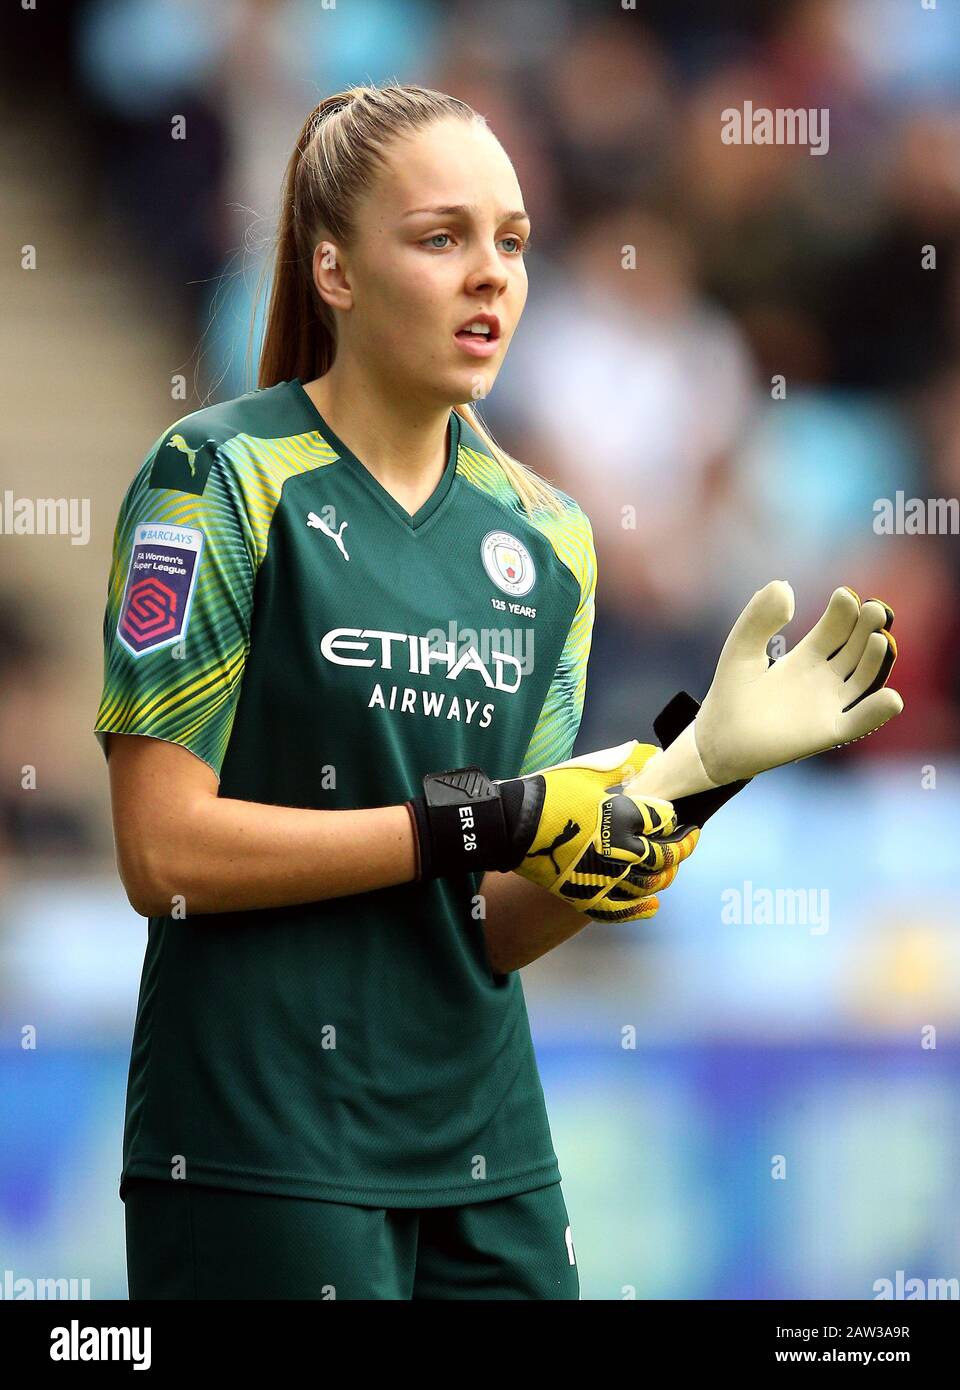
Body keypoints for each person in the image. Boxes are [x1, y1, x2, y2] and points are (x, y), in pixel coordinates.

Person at [94, 82, 699, 1301]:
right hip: (262, 1142)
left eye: (514, 242)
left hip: (490, 1154)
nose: (493, 276)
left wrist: (690, 790)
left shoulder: (553, 535)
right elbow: (162, 852)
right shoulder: (215, 476)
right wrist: (484, 821)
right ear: (334, 270)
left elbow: (493, 916)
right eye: (443, 239)